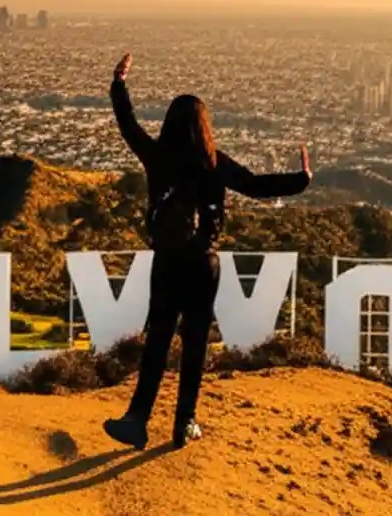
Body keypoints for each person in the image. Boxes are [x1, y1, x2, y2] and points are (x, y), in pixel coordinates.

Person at [102, 52, 312, 450]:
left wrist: (119, 84)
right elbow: (256, 185)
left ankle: (137, 420)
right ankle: (185, 423)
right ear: (205, 125)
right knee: (195, 341)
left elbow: (128, 127)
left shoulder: (158, 157)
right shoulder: (215, 163)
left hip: (166, 261)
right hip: (204, 263)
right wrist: (301, 180)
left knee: (159, 339)